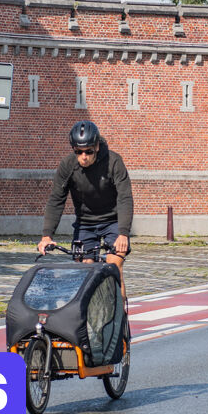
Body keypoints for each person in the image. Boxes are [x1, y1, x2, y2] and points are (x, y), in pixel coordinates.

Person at [39, 121, 133, 295]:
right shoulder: (68, 166)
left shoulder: (113, 162)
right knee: (83, 272)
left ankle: (119, 317)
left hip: (113, 221)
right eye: (79, 152)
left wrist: (123, 233)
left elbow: (125, 197)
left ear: (96, 146)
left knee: (114, 265)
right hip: (85, 223)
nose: (84, 156)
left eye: (88, 151)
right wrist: (46, 235)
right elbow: (56, 200)